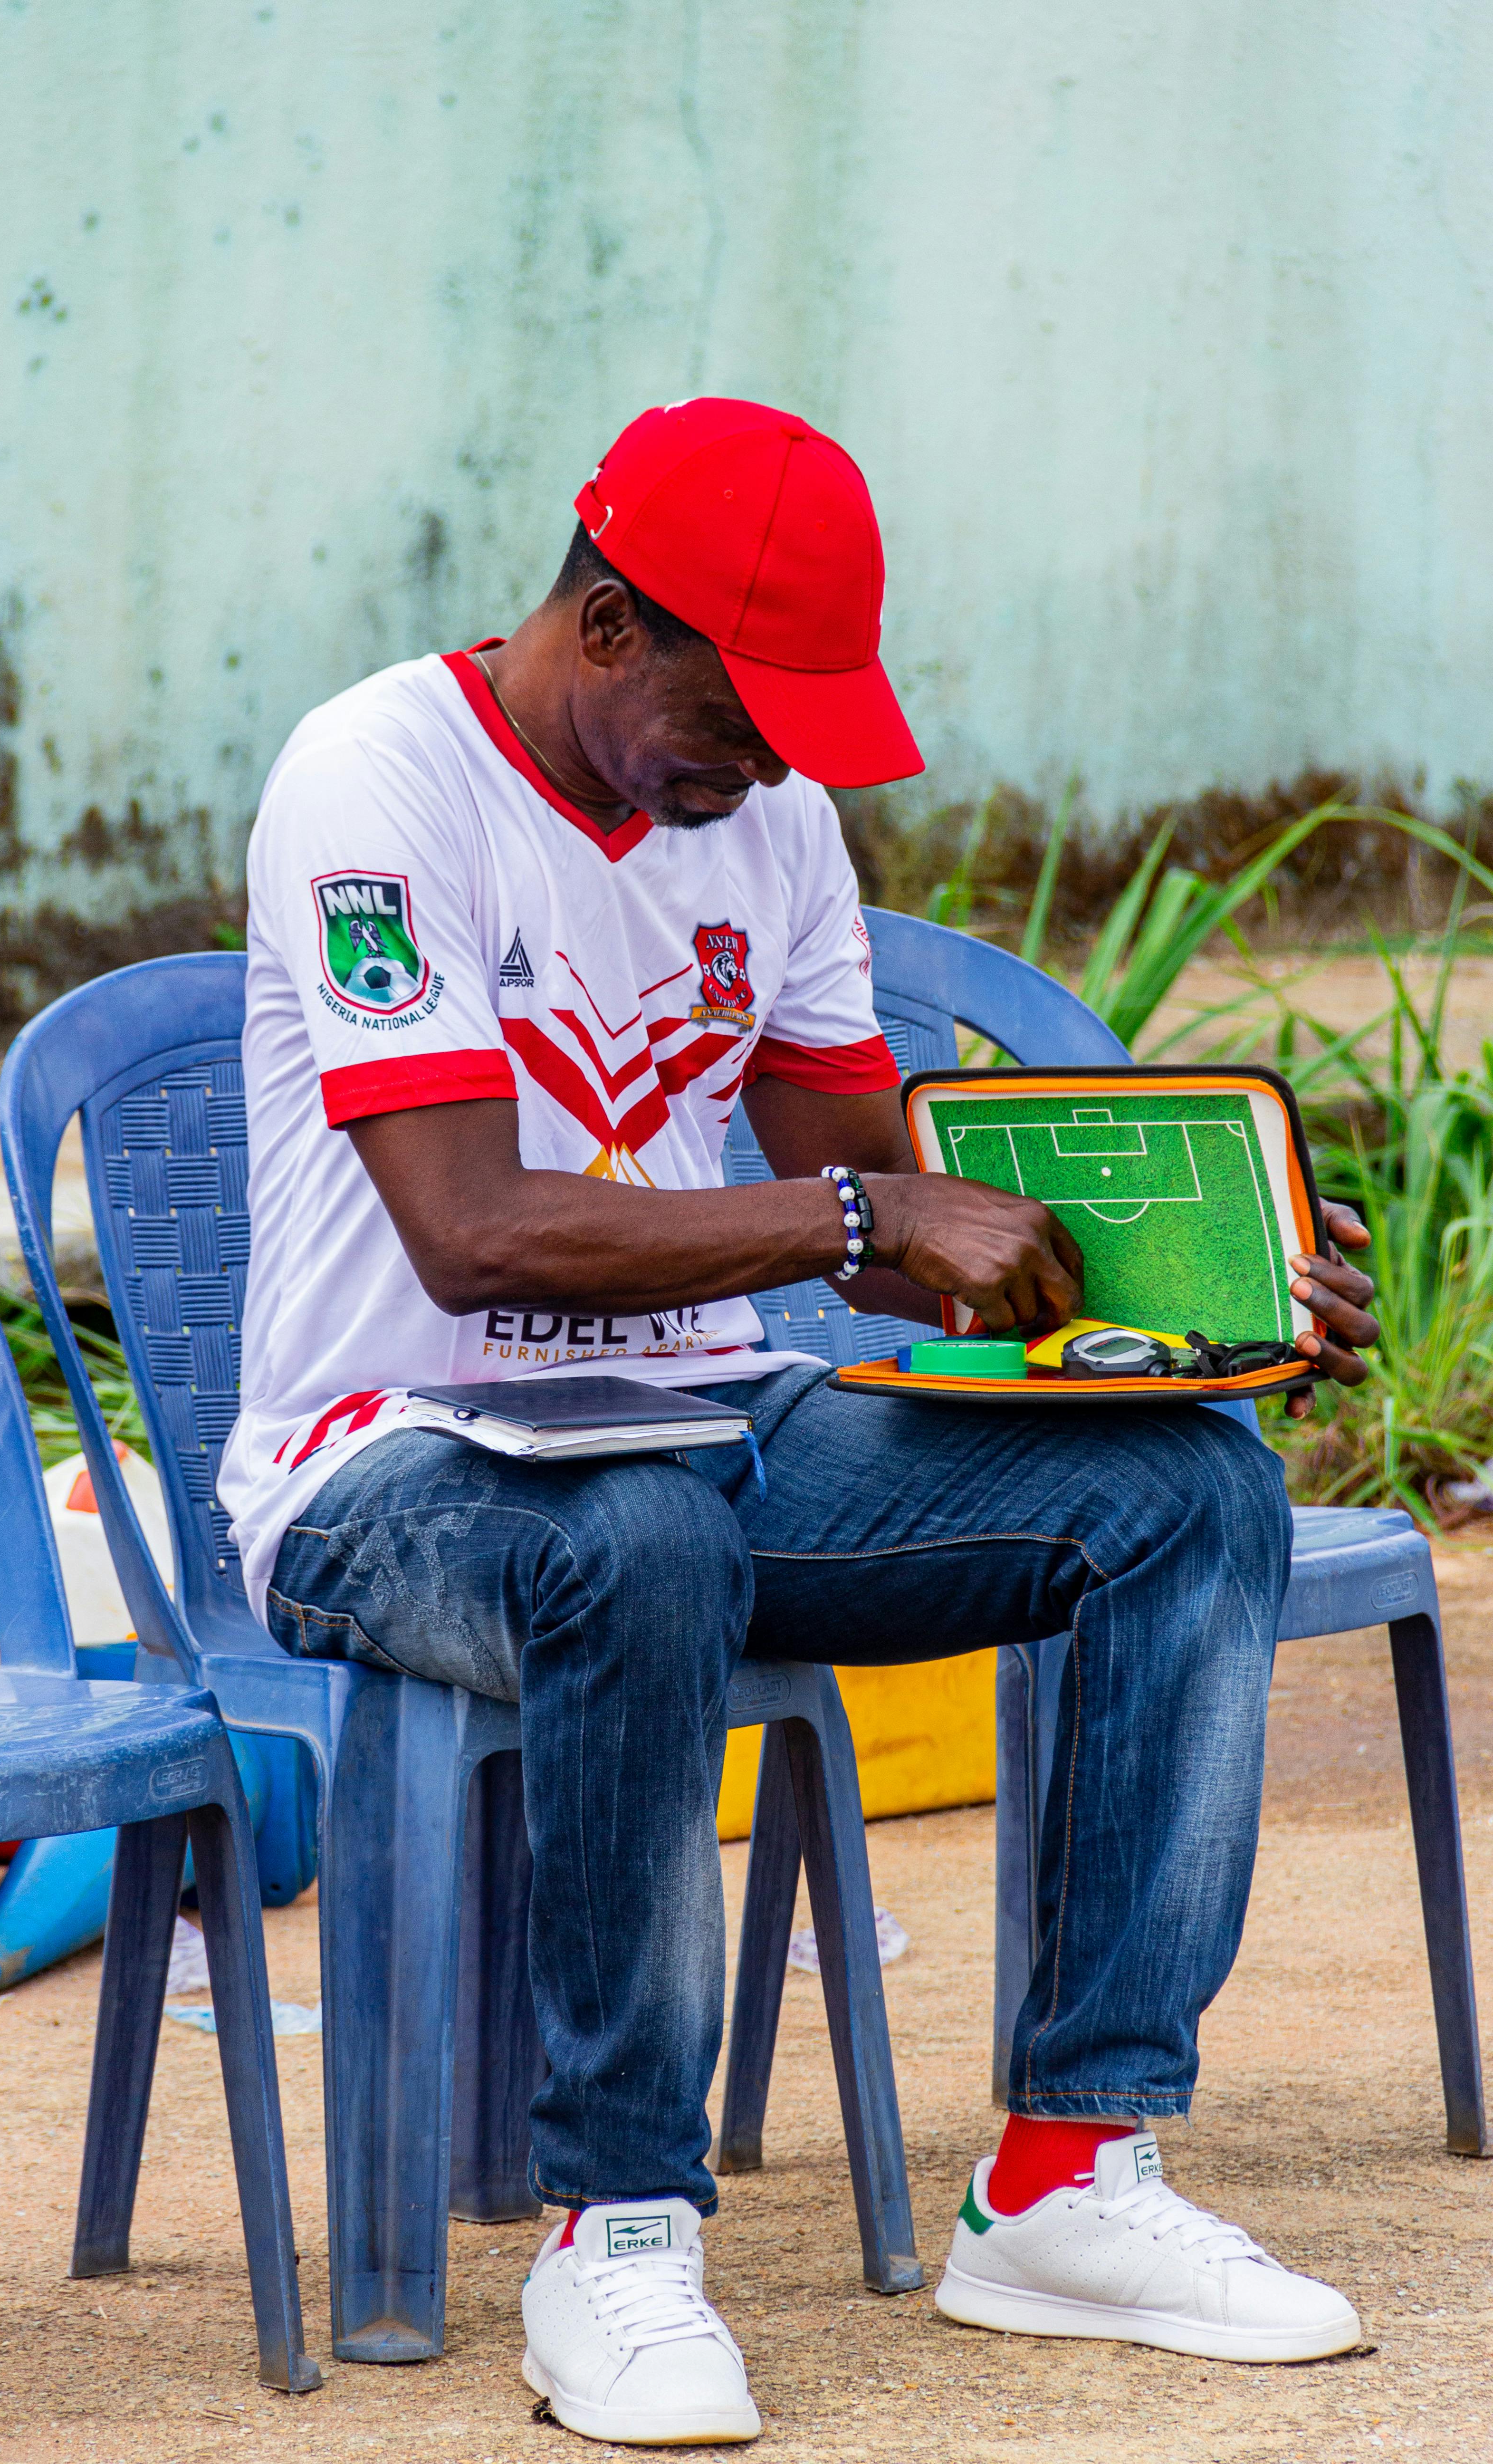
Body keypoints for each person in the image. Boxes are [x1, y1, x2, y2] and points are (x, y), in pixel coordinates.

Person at [220, 398, 1381, 2448]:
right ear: (604, 627)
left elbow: (895, 1225)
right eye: (737, 716)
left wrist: (1228, 1281)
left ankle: (1067, 2176)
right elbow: (475, 1231)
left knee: (1185, 1491)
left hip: (707, 1425)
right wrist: (862, 1211)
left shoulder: (765, 824)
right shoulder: (375, 779)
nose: (764, 769)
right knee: (642, 1535)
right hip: (386, 1464)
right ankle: (622, 2232)